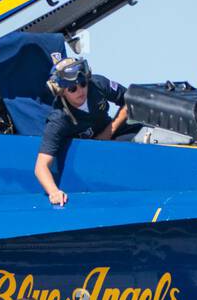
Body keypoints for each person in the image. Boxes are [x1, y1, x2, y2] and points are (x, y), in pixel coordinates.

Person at [34, 57, 131, 206]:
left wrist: (108, 132)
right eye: (72, 89)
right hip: (90, 162)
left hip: (113, 137)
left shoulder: (98, 84)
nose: (80, 90)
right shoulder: (58, 119)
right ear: (61, 92)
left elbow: (129, 100)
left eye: (83, 84)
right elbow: (41, 166)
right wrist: (54, 192)